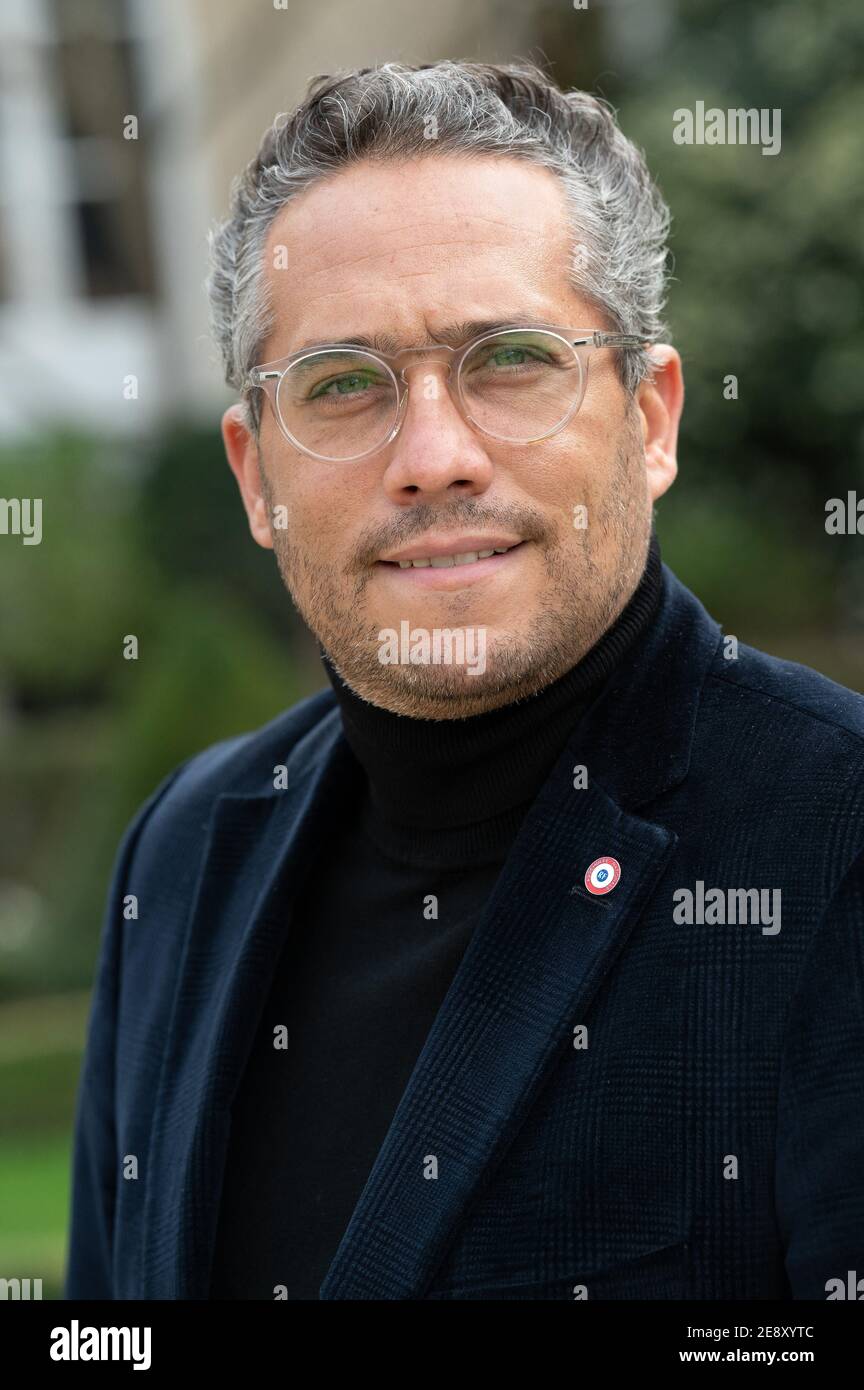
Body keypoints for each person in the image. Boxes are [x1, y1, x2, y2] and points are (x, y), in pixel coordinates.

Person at [65, 60, 864, 1301]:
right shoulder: (175, 856)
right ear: (255, 478)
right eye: (341, 385)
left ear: (650, 420)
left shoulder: (835, 839)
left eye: (510, 359)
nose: (433, 457)